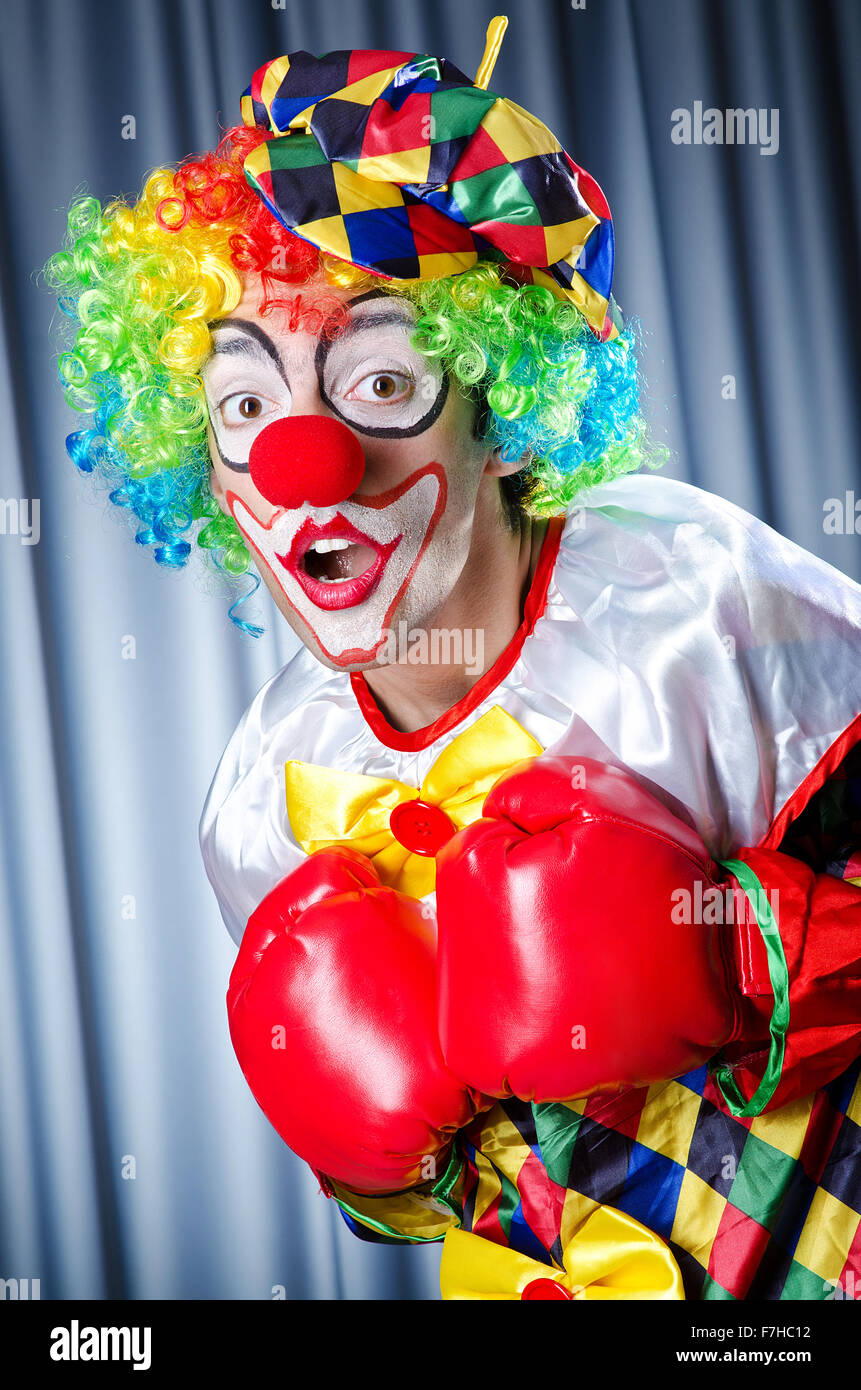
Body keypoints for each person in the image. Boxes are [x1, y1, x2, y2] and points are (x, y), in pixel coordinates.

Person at [46, 19, 861, 1301]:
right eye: (246, 408)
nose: (303, 467)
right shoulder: (268, 797)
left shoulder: (686, 601)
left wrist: (739, 950)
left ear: (507, 417)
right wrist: (378, 1164)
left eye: (378, 386)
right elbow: (426, 1194)